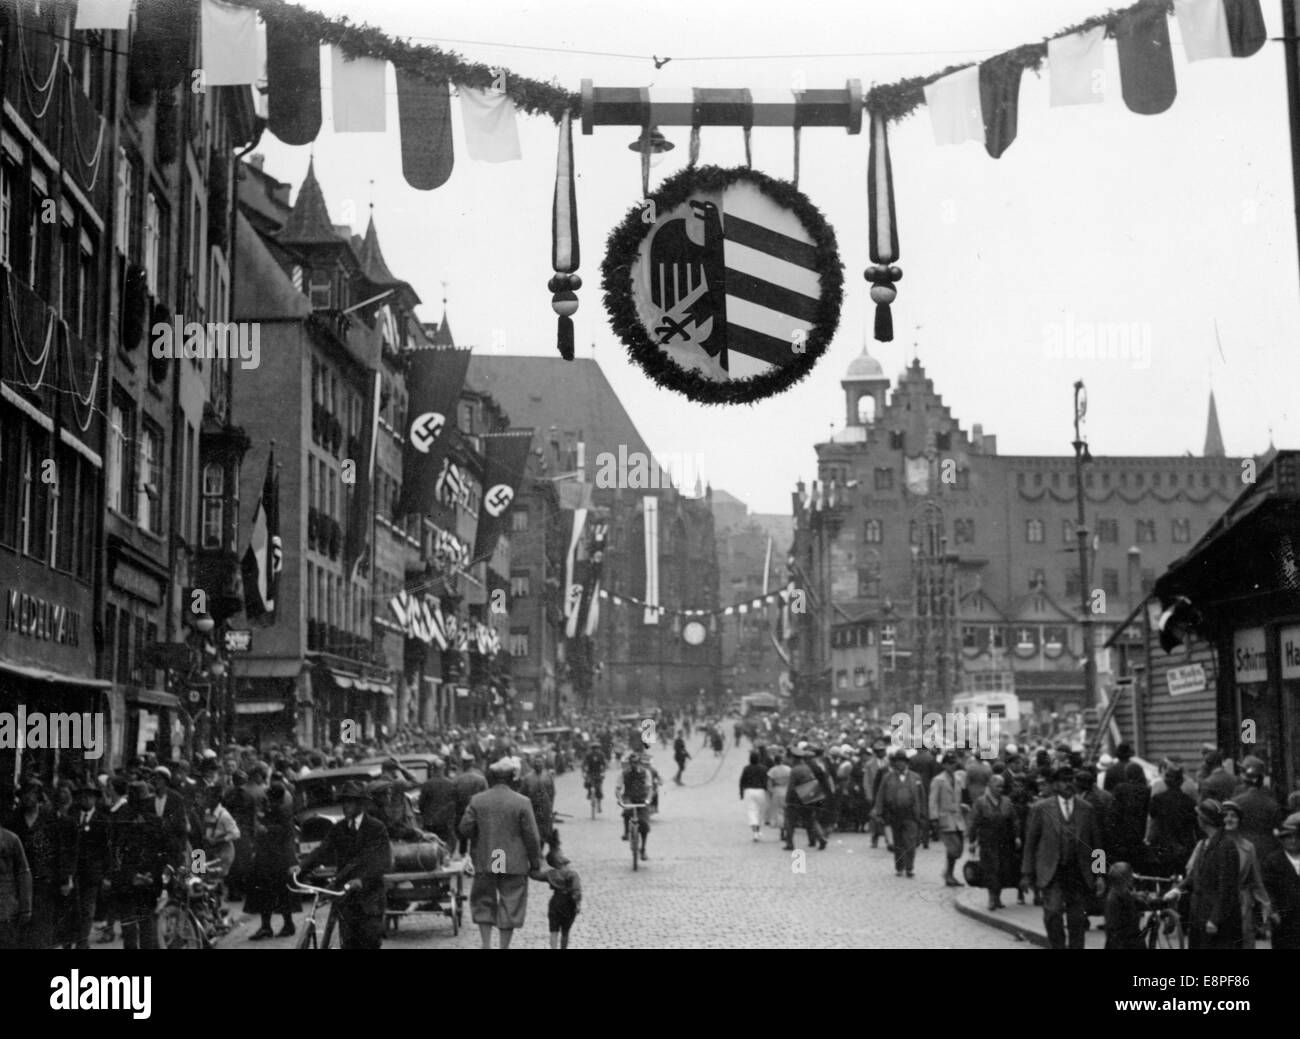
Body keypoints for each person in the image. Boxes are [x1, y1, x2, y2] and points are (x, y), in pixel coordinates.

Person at [297, 782, 392, 949]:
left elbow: (383, 861)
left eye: (351, 802)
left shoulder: (376, 828)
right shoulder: (338, 829)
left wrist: (361, 880)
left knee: (370, 942)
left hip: (370, 898)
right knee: (348, 943)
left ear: (361, 804)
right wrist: (301, 867)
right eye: (344, 802)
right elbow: (322, 850)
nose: (346, 806)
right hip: (346, 899)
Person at [459, 758, 542, 950]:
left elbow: (464, 829)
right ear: (513, 777)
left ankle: (486, 945)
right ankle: (503, 947)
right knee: (510, 902)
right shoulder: (522, 802)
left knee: (483, 901)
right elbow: (532, 837)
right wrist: (535, 862)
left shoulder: (477, 800)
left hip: (487, 858)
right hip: (512, 861)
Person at [1020, 765, 1102, 950]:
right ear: (1055, 785)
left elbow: (1097, 844)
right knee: (1053, 913)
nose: (1068, 784)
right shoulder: (1041, 808)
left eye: (1071, 780)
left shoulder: (1086, 809)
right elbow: (1030, 844)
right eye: (1064, 781)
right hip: (1052, 870)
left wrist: (1099, 874)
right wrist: (1026, 873)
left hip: (1078, 871)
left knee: (1077, 917)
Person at [1169, 799, 1243, 950]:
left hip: (1215, 920)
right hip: (1199, 916)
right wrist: (1177, 890)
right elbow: (1195, 876)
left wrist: (1215, 919)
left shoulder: (1226, 847)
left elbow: (1226, 887)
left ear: (1205, 820)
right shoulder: (1204, 844)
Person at [108, 781, 165, 951]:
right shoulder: (121, 820)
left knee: (144, 922)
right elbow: (116, 851)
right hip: (129, 879)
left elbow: (160, 850)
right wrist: (131, 875)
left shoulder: (153, 820)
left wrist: (151, 875)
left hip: (146, 879)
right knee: (132, 924)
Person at [7, 779, 61, 950]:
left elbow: (58, 849)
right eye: (25, 794)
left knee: (41, 924)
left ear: (39, 797)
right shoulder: (14, 821)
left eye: (32, 794)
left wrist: (61, 876)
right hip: (19, 878)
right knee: (20, 922)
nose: (28, 798)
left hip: (43, 879)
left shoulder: (50, 819)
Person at [246, 783, 298, 940]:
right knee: (265, 893)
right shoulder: (270, 810)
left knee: (282, 893)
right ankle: (266, 926)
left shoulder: (282, 812)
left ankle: (287, 925)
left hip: (278, 859)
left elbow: (286, 833)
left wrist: (267, 830)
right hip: (266, 858)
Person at [65, 780, 112, 950]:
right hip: (73, 872)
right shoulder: (71, 817)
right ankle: (68, 942)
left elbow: (107, 851)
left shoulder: (102, 821)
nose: (86, 800)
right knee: (71, 909)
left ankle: (82, 943)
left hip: (92, 874)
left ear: (95, 799)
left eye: (90, 797)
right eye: (83, 796)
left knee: (87, 910)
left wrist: (106, 875)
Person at [1222, 799, 1271, 949]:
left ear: (1239, 820)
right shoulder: (1208, 844)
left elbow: (1256, 879)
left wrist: (1266, 903)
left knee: (1243, 942)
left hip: (1241, 901)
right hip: (1217, 900)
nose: (1229, 819)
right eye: (1226, 815)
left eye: (1234, 816)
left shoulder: (1248, 847)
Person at [968, 773, 1019, 910]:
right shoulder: (981, 802)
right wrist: (972, 841)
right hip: (987, 841)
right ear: (990, 786)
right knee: (991, 870)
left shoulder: (1007, 802)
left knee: (1003, 870)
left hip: (1004, 841)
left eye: (1002, 787)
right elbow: (974, 822)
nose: (1000, 789)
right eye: (997, 786)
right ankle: (991, 898)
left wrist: (1017, 836)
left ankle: (998, 897)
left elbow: (1014, 820)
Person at [873, 749, 924, 876]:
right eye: (897, 762)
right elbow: (880, 795)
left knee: (910, 842)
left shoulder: (915, 777)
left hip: (911, 814)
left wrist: (923, 813)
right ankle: (899, 866)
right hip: (894, 814)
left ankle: (909, 867)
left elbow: (922, 797)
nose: (900, 764)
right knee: (898, 843)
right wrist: (879, 812)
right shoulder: (888, 778)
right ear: (894, 763)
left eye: (902, 762)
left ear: (906, 763)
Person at [1145, 763, 1198, 877]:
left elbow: (1153, 821)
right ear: (1181, 781)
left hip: (1162, 849)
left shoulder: (1157, 800)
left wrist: (1149, 840)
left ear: (1166, 781)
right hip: (1183, 850)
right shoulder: (1189, 802)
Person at [1262, 812, 1300, 949]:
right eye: (1288, 838)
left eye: (1296, 838)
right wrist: (1273, 910)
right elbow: (1267, 888)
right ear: (1282, 840)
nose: (1293, 841)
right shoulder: (1273, 861)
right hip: (1283, 917)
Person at [532, 847, 582, 949]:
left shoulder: (550, 874)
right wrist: (577, 904)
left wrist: (531, 866)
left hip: (555, 903)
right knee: (565, 931)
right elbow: (577, 891)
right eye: (562, 853)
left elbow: (535, 875)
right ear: (560, 860)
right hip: (569, 904)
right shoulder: (573, 874)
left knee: (553, 930)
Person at [930, 751, 966, 887]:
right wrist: (933, 818)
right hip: (945, 818)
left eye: (954, 764)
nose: (952, 766)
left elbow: (957, 798)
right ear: (944, 765)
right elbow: (932, 800)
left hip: (957, 818)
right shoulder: (938, 780)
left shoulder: (957, 779)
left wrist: (962, 806)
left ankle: (948, 873)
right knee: (953, 848)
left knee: (959, 848)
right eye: (949, 764)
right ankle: (949, 875)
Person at [616, 751, 654, 861]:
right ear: (629, 763)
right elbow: (618, 788)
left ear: (639, 762)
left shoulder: (645, 772)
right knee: (626, 811)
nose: (634, 764)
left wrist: (648, 799)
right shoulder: (624, 773)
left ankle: (643, 849)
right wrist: (619, 799)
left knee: (644, 824)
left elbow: (650, 788)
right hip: (629, 797)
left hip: (641, 798)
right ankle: (626, 832)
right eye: (632, 762)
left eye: (636, 762)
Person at [150, 767, 190, 869]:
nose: (156, 781)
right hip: (154, 846)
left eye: (159, 779)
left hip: (171, 847)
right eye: (154, 778)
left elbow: (181, 824)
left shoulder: (176, 798)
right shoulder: (149, 799)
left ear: (165, 781)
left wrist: (183, 849)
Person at [416, 758, 458, 848]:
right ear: (444, 768)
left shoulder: (427, 784)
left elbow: (421, 804)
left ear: (433, 769)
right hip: (445, 822)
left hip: (430, 822)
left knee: (432, 846)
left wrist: (424, 815)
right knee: (445, 845)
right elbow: (454, 803)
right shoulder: (450, 784)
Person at [1103, 862, 1145, 949]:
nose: (1132, 879)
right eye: (1130, 877)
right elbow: (1112, 930)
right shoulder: (1114, 899)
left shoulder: (1122, 894)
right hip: (1124, 943)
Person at [201, 784, 240, 877]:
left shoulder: (224, 815)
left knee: (217, 879)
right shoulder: (207, 812)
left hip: (223, 852)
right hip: (211, 851)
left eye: (208, 797)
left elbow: (236, 833)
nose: (205, 799)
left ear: (216, 799)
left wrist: (219, 840)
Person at [520, 755, 556, 855]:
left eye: (539, 762)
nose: (537, 764)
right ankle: (534, 852)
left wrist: (550, 807)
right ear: (532, 764)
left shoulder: (548, 776)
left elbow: (552, 792)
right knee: (533, 830)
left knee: (545, 831)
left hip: (545, 809)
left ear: (543, 764)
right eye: (535, 762)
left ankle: (542, 850)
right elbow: (522, 793)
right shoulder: (527, 778)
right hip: (532, 808)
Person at [452, 758, 488, 857]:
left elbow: (453, 798)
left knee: (462, 839)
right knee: (476, 839)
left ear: (463, 765)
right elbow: (486, 796)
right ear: (472, 763)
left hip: (461, 812)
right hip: (477, 812)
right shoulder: (480, 778)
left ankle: (463, 858)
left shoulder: (457, 780)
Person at [739, 752, 769, 843]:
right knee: (760, 811)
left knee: (752, 811)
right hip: (761, 791)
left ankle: (755, 833)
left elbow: (742, 781)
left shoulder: (746, 768)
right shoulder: (764, 769)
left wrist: (741, 793)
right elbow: (767, 781)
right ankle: (758, 830)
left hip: (749, 791)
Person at [766, 751, 791, 835]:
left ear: (775, 761)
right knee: (787, 811)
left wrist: (771, 793)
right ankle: (787, 828)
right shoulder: (788, 769)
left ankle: (782, 830)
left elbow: (769, 785)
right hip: (787, 789)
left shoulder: (772, 770)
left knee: (779, 811)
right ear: (782, 760)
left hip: (777, 790)